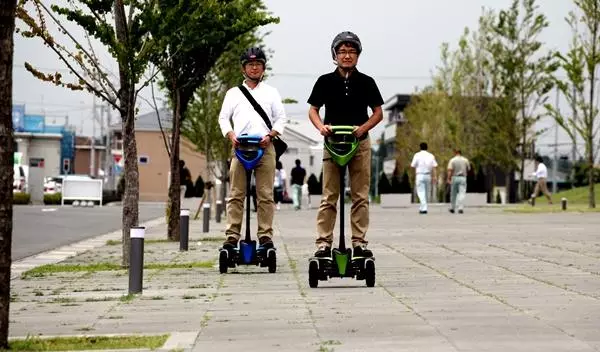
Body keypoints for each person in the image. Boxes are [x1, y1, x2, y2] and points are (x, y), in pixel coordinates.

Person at [307, 31, 384, 258]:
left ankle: (359, 242)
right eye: (342, 51)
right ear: (335, 55)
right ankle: (323, 243)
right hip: (333, 141)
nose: (347, 56)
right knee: (329, 195)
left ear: (358, 55)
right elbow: (313, 110)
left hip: (359, 142)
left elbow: (378, 113)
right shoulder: (325, 81)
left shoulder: (367, 82)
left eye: (352, 51)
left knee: (360, 195)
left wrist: (363, 128)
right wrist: (321, 127)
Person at [217, 47, 286, 251]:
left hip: (265, 146)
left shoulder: (271, 92)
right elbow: (223, 117)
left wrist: (271, 135)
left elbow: (281, 118)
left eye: (258, 64)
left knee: (265, 194)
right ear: (243, 68)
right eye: (250, 64)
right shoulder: (233, 93)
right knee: (236, 193)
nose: (254, 68)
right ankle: (232, 236)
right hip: (240, 147)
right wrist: (230, 135)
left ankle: (265, 235)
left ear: (263, 68)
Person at [410, 142, 438, 214]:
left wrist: (413, 175)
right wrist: (435, 176)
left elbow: (413, 165)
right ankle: (422, 208)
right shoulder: (431, 155)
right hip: (428, 175)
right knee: (426, 192)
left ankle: (424, 208)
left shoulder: (417, 155)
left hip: (419, 175)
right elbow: (434, 167)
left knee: (420, 192)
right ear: (427, 147)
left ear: (420, 147)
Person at [447, 149, 471, 214]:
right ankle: (460, 208)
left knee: (453, 193)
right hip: (463, 177)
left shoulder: (452, 160)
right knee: (462, 193)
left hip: (454, 177)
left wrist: (448, 178)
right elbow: (469, 169)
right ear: (461, 153)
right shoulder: (465, 160)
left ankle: (452, 208)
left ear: (455, 153)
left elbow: (450, 170)